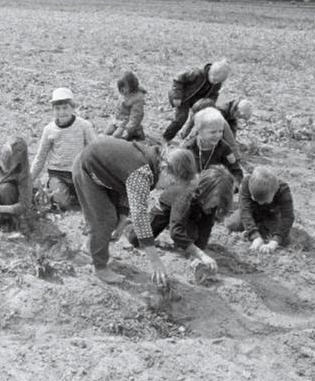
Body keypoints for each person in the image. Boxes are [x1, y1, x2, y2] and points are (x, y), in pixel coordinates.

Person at [73, 137, 173, 285]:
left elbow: (126, 189)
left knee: (112, 216)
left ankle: (90, 247)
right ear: (165, 169)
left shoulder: (150, 165)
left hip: (106, 175)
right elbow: (140, 218)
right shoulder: (142, 173)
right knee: (104, 219)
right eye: (171, 182)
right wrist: (155, 260)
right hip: (87, 169)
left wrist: (122, 219)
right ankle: (100, 267)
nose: (167, 188)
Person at [128, 165, 235, 277]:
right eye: (215, 199)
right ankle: (129, 225)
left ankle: (180, 227)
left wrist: (199, 253)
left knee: (192, 238)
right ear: (206, 189)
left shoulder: (211, 200)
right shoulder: (187, 193)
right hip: (167, 207)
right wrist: (201, 255)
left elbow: (205, 227)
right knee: (136, 239)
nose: (215, 204)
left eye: (217, 202)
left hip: (191, 213)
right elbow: (176, 231)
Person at [29, 87, 96, 211]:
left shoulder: (84, 126)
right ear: (53, 110)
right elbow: (41, 156)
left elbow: (94, 150)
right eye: (57, 109)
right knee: (63, 204)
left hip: (78, 171)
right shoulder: (49, 130)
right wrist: (29, 179)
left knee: (91, 201)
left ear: (72, 107)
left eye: (65, 108)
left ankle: (76, 192)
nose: (62, 112)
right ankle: (55, 189)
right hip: (58, 172)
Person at [226, 167, 294, 254]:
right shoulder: (246, 183)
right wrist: (255, 237)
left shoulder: (283, 189)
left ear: (274, 191)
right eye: (256, 200)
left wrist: (274, 242)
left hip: (271, 215)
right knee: (232, 224)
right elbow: (245, 210)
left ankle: (260, 229)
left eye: (265, 201)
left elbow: (287, 216)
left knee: (285, 239)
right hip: (252, 211)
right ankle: (256, 230)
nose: (261, 203)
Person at [162, 58, 232, 142]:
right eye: (214, 79)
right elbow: (178, 80)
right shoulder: (196, 73)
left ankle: (186, 136)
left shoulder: (216, 84)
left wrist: (210, 106)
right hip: (184, 97)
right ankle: (166, 138)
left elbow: (214, 95)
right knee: (181, 118)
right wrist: (177, 96)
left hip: (198, 102)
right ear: (209, 72)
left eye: (218, 81)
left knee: (198, 119)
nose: (215, 82)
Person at [180, 107, 244, 185]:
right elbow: (178, 173)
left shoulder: (224, 148)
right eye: (213, 132)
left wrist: (233, 186)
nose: (218, 135)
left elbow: (236, 171)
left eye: (220, 131)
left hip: (216, 191)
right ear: (199, 131)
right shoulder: (188, 149)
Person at [103, 70, 146, 141]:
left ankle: (137, 132)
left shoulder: (137, 100)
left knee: (115, 137)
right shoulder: (124, 94)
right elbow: (119, 108)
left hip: (127, 123)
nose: (123, 91)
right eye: (121, 89)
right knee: (106, 133)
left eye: (125, 89)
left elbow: (135, 117)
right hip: (118, 120)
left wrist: (128, 130)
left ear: (132, 87)